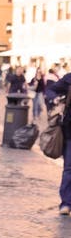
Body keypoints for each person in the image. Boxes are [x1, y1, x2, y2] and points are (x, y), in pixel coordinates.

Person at [47, 71, 71, 216]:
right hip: (70, 131)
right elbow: (50, 90)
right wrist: (55, 99)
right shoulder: (69, 79)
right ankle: (66, 203)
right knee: (69, 168)